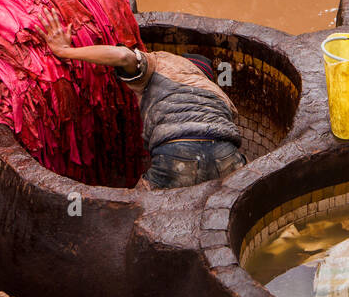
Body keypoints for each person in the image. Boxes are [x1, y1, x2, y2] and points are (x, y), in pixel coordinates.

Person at [38, 12, 245, 189]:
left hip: (176, 152)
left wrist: (64, 51)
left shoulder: (161, 63)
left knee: (136, 213)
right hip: (227, 155)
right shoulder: (218, 93)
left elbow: (122, 56)